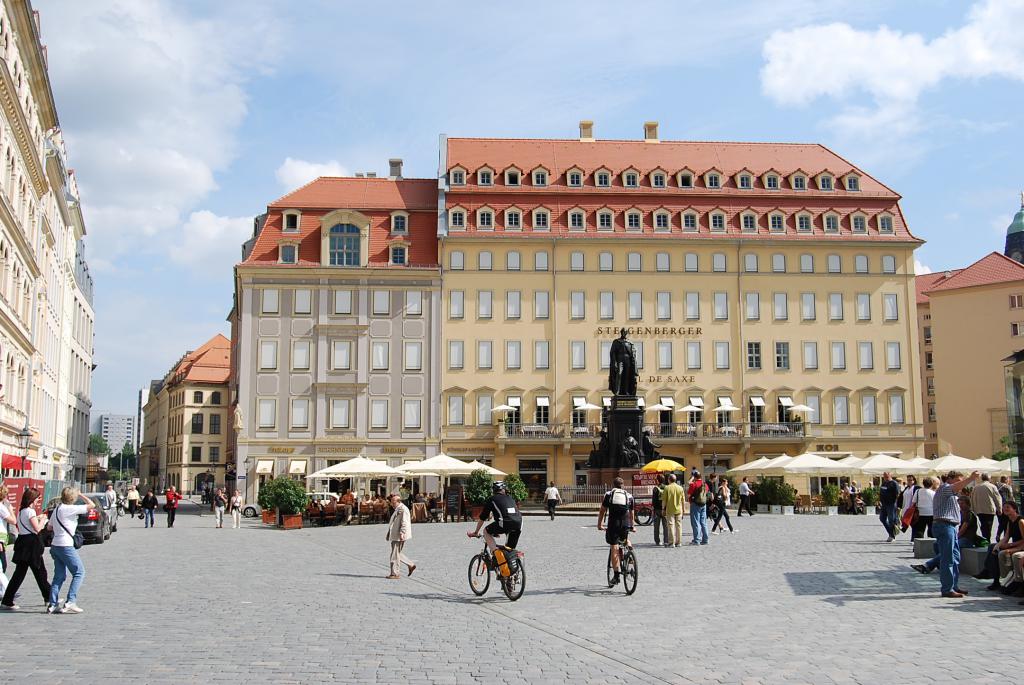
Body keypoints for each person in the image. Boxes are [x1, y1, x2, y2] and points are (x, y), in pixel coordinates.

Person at [47, 487, 96, 613]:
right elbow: (92, 505)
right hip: (66, 545)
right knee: (79, 572)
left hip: (55, 545)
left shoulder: (57, 508)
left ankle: (52, 604)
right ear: (73, 498)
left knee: (59, 576)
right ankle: (71, 601)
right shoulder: (71, 509)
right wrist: (81, 494)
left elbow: (49, 527)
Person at [931, 471, 979, 598]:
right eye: (958, 480)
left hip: (950, 526)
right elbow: (956, 487)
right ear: (950, 479)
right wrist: (971, 478)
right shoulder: (945, 488)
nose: (960, 483)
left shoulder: (951, 493)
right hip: (944, 525)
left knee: (955, 557)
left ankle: (953, 585)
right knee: (947, 559)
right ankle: (947, 589)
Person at [0, 487, 50, 611]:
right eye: (38, 498)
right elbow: (37, 529)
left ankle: (7, 599)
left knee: (21, 574)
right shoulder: (30, 512)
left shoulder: (22, 511)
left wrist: (37, 518)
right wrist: (43, 520)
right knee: (39, 572)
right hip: (31, 545)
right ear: (32, 499)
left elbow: (26, 524)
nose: (39, 500)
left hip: (23, 543)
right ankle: (49, 597)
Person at [976, 501, 1024, 594]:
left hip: (1020, 547)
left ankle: (994, 576)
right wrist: (997, 547)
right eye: (1004, 507)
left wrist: (1010, 546)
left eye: (1008, 507)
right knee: (992, 548)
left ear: (1014, 509)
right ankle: (994, 577)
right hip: (1014, 545)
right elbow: (1006, 537)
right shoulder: (1010, 521)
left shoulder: (1020, 521)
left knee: (1000, 553)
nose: (1005, 509)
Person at [597, 477, 635, 586]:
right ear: (623, 485)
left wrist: (599, 524)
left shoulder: (609, 494)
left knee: (614, 547)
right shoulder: (629, 496)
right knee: (625, 540)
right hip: (625, 523)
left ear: (613, 485)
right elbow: (632, 513)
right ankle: (630, 552)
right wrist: (633, 526)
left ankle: (616, 575)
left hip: (613, 523)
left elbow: (602, 511)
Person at [467, 481, 523, 551]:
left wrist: (476, 532)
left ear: (494, 490)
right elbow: (506, 514)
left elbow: (482, 518)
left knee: (486, 531)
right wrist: (496, 531)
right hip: (519, 523)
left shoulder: (492, 499)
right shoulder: (510, 498)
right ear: (503, 489)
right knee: (509, 550)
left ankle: (494, 552)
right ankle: (513, 560)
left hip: (505, 523)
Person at [385, 493, 415, 579]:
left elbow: (405, 522)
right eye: (391, 502)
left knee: (394, 555)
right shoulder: (398, 508)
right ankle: (411, 564)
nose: (391, 504)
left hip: (398, 535)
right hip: (395, 534)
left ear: (398, 501)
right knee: (397, 553)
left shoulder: (403, 509)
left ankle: (395, 573)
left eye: (393, 502)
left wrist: (402, 533)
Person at [969, 473, 1001, 542]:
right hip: (989, 510)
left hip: (979, 510)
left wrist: (973, 509)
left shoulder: (976, 487)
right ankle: (987, 540)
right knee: (988, 526)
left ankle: (985, 539)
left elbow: (972, 499)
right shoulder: (992, 486)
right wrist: (999, 509)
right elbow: (997, 498)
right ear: (989, 478)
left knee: (983, 525)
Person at [687, 472, 710, 545]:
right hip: (703, 504)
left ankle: (697, 540)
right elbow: (707, 493)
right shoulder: (705, 484)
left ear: (694, 477)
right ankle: (705, 539)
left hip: (695, 504)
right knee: (703, 522)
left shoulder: (693, 484)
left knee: (696, 522)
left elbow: (688, 495)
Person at [662, 474, 684, 547]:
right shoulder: (680, 488)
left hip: (670, 509)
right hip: (679, 509)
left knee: (671, 525)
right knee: (679, 526)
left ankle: (671, 543)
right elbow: (683, 500)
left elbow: (664, 500)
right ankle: (679, 542)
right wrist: (683, 510)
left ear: (669, 479)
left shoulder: (667, 488)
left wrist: (663, 509)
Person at [0, 484, 15, 596]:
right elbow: (13, 520)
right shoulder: (2, 507)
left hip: (2, 538)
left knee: (2, 566)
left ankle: (4, 591)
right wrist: (10, 508)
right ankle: (7, 591)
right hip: (0, 538)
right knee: (1, 566)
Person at [878, 472, 900, 541]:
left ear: (890, 476)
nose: (885, 478)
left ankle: (892, 535)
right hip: (884, 504)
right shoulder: (884, 483)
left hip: (891, 504)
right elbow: (881, 492)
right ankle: (891, 533)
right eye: (884, 477)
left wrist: (896, 504)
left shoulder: (894, 483)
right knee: (882, 519)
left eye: (887, 477)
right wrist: (879, 500)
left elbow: (897, 494)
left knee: (891, 520)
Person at [651, 474, 668, 547]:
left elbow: (654, 500)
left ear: (658, 480)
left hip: (657, 509)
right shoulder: (667, 488)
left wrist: (653, 507)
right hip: (665, 509)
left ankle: (657, 541)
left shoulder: (655, 488)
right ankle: (666, 541)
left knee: (656, 527)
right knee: (666, 526)